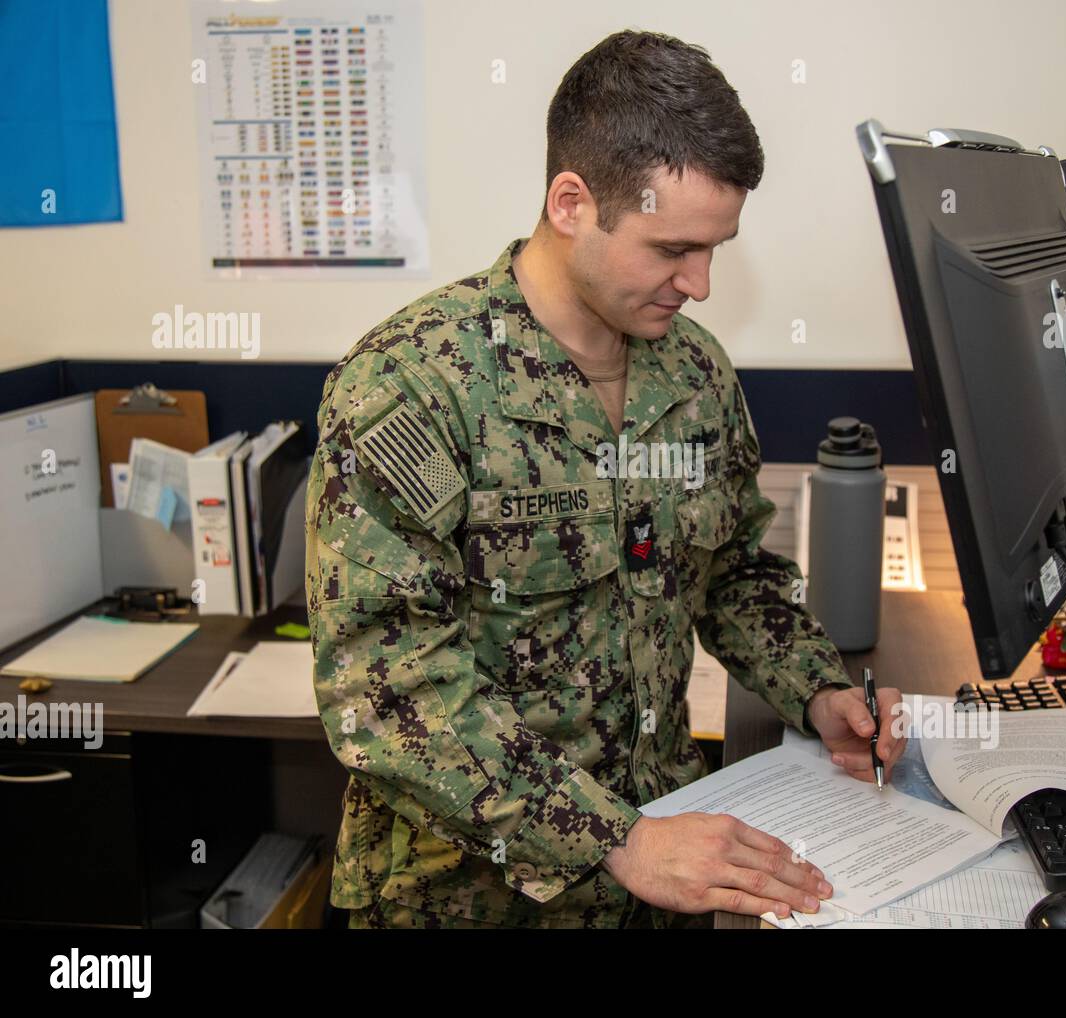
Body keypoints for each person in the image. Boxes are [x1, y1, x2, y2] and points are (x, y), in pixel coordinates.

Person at [306, 28, 905, 931]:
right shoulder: (414, 386)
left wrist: (819, 691)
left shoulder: (694, 376)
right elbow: (385, 690)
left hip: (663, 883)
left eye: (716, 248)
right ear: (572, 202)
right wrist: (614, 841)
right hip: (467, 902)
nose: (699, 283)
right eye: (672, 249)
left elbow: (735, 573)